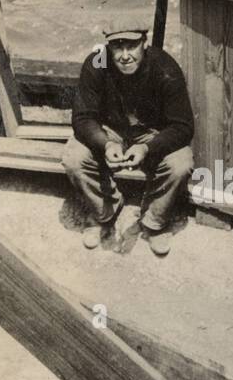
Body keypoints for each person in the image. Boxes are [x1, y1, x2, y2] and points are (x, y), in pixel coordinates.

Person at [62, 24, 194, 256]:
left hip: (150, 132)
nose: (124, 56)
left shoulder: (164, 67)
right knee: (74, 159)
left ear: (145, 43)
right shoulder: (97, 62)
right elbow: (82, 117)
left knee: (180, 165)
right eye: (117, 47)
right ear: (107, 46)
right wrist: (106, 144)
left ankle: (155, 221)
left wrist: (148, 147)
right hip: (110, 130)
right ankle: (105, 211)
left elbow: (182, 126)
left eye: (132, 46)